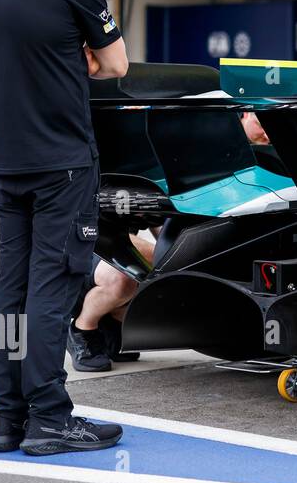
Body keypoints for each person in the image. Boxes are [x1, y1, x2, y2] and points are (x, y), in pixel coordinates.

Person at [0, 0, 130, 455]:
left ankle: (6, 417)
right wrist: (77, 57)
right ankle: (51, 417)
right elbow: (117, 66)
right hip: (62, 164)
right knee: (54, 284)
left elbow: (16, 58)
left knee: (9, 286)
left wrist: (63, 56)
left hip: (5, 165)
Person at [68, 112, 271, 371]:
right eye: (261, 123)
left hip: (112, 232)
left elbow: (159, 217)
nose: (266, 134)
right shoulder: (126, 139)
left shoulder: (232, 162)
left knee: (162, 270)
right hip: (81, 235)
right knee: (125, 278)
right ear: (242, 115)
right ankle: (82, 328)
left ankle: (114, 317)